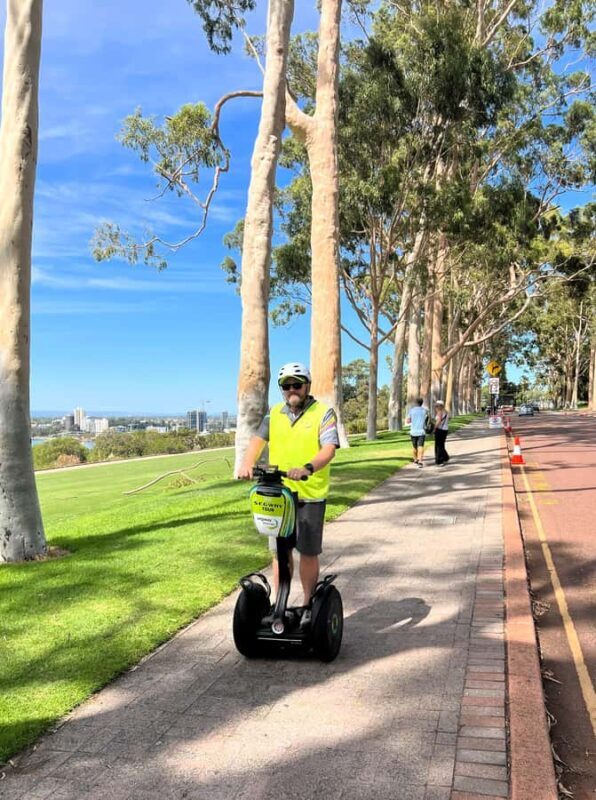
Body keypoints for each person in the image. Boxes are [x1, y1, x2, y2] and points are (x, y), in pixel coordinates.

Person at [237, 362, 339, 624]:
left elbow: (328, 448)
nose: (292, 389)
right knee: (279, 551)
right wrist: (247, 463)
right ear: (281, 389)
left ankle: (306, 605)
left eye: (297, 384)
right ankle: (279, 607)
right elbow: (257, 441)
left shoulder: (323, 412)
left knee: (307, 551)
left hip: (309, 494)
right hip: (279, 494)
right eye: (286, 386)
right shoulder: (274, 414)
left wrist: (308, 467)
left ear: (307, 385)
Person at [406, 397, 429, 468]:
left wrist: (413, 420)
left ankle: (415, 459)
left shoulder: (411, 411)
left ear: (416, 403)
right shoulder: (425, 411)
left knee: (414, 446)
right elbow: (427, 420)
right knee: (420, 446)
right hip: (421, 431)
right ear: (422, 403)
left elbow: (408, 421)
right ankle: (420, 461)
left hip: (413, 431)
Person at [434, 400, 450, 466]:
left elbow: (438, 421)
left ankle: (439, 460)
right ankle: (445, 457)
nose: (436, 407)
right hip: (445, 429)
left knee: (438, 446)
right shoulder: (446, 412)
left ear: (440, 406)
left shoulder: (440, 412)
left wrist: (434, 428)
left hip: (440, 430)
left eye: (437, 405)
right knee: (441, 445)